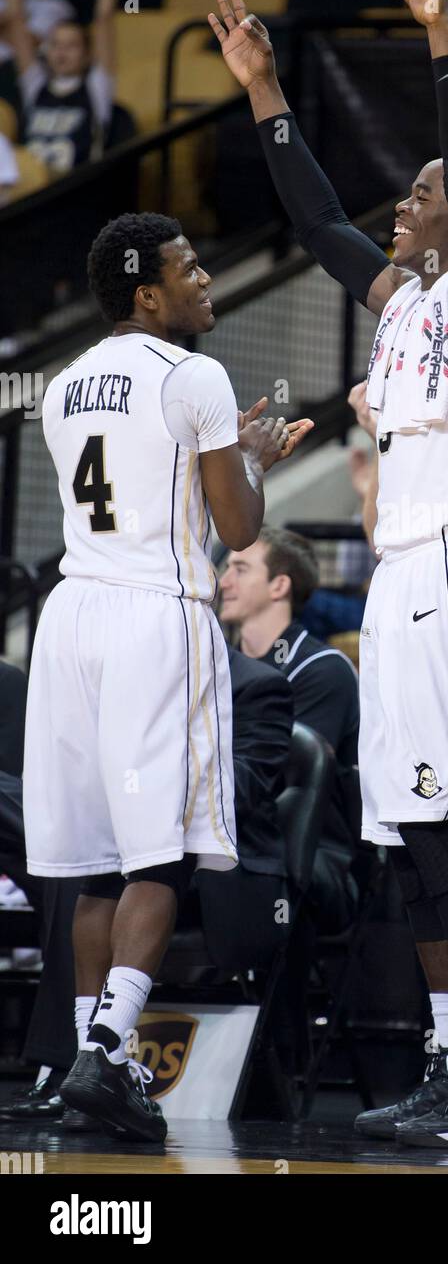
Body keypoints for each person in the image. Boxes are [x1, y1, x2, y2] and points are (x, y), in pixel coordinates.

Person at [209, 0, 448, 1149]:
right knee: (411, 827)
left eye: (417, 195)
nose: (401, 207)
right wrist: (261, 91)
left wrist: (439, 35)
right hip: (402, 575)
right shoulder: (398, 300)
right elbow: (311, 223)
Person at [22, 210, 312, 1141]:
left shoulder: (63, 385)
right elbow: (235, 529)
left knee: (99, 860)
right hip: (156, 613)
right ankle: (108, 1051)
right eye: (190, 269)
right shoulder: (195, 375)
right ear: (148, 292)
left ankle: (81, 1058)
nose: (206, 281)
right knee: (165, 853)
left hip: (71, 620)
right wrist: (254, 462)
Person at [0, 646, 296, 1125]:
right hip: (120, 851)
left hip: (213, 866)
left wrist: (151, 771)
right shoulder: (129, 677)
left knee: (108, 862)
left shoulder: (256, 684)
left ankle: (69, 1065)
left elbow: (243, 786)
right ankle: (83, 1061)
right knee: (78, 854)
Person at [219, 526, 362, 935]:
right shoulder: (216, 665)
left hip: (312, 850)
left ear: (279, 585)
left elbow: (280, 783)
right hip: (235, 830)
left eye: (241, 569)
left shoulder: (324, 670)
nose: (224, 581)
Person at [1, 0, 120, 173]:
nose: (61, 52)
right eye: (55, 45)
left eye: (72, 45)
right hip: (34, 199)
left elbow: (104, 18)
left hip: (74, 198)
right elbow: (17, 16)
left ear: (87, 53)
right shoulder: (36, 87)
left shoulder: (95, 87)